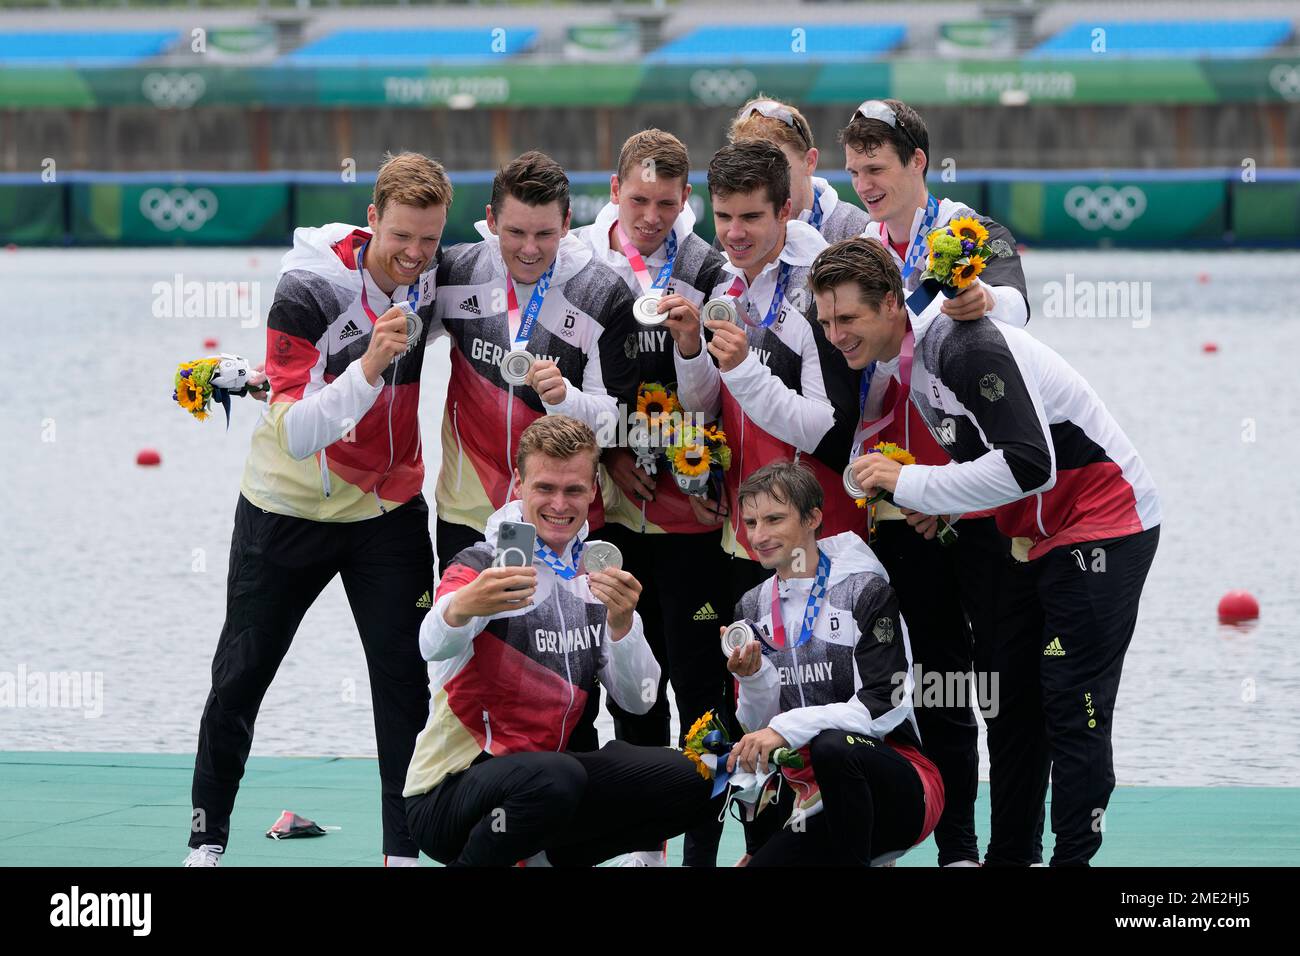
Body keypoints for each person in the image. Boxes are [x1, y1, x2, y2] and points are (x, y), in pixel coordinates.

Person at [812, 237, 1161, 866]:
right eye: (826, 321)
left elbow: (1031, 465)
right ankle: (1014, 858)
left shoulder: (960, 346)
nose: (836, 335)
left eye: (848, 319)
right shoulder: (906, 359)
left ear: (892, 304)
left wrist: (912, 483)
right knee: (1014, 689)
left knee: (1067, 696)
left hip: (1105, 520)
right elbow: (987, 461)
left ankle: (1074, 858)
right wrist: (945, 503)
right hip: (1037, 532)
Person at [184, 152, 453, 867]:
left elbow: (529, 260)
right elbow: (300, 433)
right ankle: (206, 842)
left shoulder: (433, 272)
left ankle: (402, 854)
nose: (416, 257)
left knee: (402, 682)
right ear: (371, 221)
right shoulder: (307, 287)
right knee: (241, 675)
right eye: (402, 238)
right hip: (286, 506)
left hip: (387, 512)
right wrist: (369, 367)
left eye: (430, 240)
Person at [836, 97, 1033, 865]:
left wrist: (983, 301)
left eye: (877, 169)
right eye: (854, 172)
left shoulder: (966, 234)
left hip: (980, 497)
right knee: (941, 685)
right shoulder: (857, 247)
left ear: (919, 162)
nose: (866, 186)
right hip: (901, 508)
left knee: (1003, 688)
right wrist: (904, 490)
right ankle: (957, 850)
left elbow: (1014, 305)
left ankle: (1016, 850)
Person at [403, 416, 718, 866]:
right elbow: (430, 647)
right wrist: (463, 606)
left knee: (699, 778)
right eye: (545, 488)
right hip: (448, 793)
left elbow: (639, 701)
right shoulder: (485, 561)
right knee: (559, 775)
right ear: (518, 484)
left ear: (594, 489)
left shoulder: (594, 574)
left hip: (542, 787)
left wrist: (623, 624)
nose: (559, 504)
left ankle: (542, 858)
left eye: (573, 490)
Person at [572, 129, 732, 865]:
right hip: (608, 505)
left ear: (685, 200)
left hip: (687, 513)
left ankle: (701, 844)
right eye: (637, 200)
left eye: (666, 203)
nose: (650, 217)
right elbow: (563, 381)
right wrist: (608, 447)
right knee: (627, 681)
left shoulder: (707, 266)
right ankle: (644, 845)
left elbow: (712, 397)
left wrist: (694, 344)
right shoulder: (575, 257)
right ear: (613, 189)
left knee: (701, 683)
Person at [672, 140, 862, 610]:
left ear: (785, 211)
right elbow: (705, 405)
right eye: (724, 217)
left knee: (818, 680)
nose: (734, 233)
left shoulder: (821, 289)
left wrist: (743, 369)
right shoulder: (723, 282)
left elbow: (828, 428)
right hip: (745, 529)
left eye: (751, 217)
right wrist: (691, 349)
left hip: (816, 530)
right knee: (747, 676)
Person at [725, 461, 943, 866]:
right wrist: (754, 680)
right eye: (752, 522)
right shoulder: (752, 605)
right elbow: (759, 728)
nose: (760, 535)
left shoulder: (865, 590)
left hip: (898, 786)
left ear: (812, 518)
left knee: (834, 746)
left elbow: (884, 705)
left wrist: (785, 728)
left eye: (775, 519)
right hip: (811, 797)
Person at [431, 150, 640, 574]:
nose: (529, 250)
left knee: (564, 640)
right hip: (469, 510)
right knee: (466, 638)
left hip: (563, 516)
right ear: (491, 220)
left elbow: (616, 421)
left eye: (545, 234)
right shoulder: (456, 270)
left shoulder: (604, 294)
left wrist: (566, 399)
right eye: (515, 232)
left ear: (567, 224)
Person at [729, 96, 869, 243]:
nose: (761, 183)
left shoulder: (856, 231)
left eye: (775, 168)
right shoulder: (735, 234)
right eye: (750, 171)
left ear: (810, 161)